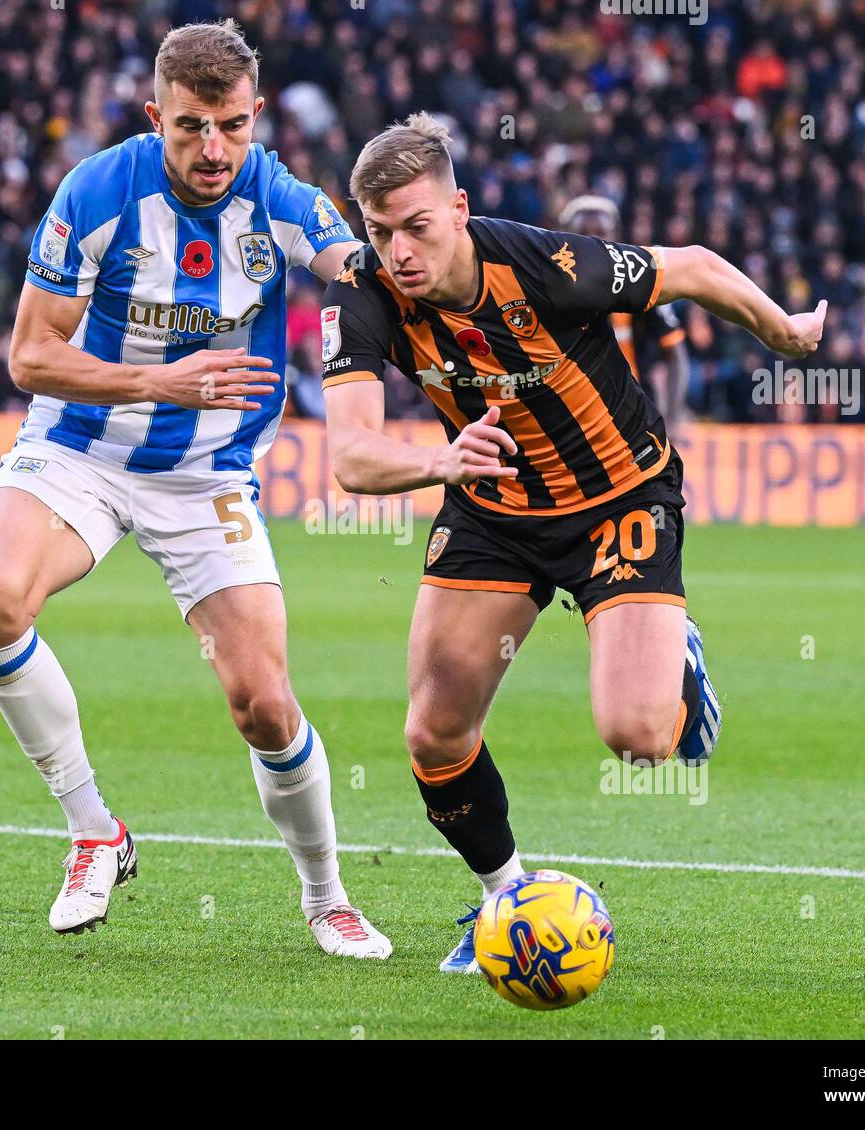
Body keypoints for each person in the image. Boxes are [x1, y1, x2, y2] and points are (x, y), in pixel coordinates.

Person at [319, 114, 826, 972]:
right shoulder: (365, 297)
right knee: (434, 733)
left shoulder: (543, 263)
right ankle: (506, 904)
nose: (398, 250)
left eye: (416, 226)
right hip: (490, 505)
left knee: (638, 739)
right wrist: (441, 462)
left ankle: (678, 664)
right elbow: (352, 458)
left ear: (459, 209)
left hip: (619, 498)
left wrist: (779, 331)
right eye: (379, 231)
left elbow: (694, 267)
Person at [0, 20, 390, 957]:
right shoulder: (99, 191)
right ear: (157, 115)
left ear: (257, 116)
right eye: (191, 126)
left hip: (207, 476)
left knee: (264, 704)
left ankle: (326, 896)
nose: (212, 149)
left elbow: (359, 273)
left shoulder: (282, 197)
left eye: (231, 126)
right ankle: (94, 833)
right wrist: (160, 380)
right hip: (79, 450)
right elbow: (30, 356)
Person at [560, 195, 691, 429]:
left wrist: (671, 419)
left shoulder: (639, 281)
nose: (593, 242)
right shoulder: (546, 287)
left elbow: (676, 355)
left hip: (631, 421)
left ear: (615, 236)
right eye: (583, 234)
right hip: (569, 423)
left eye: (602, 232)